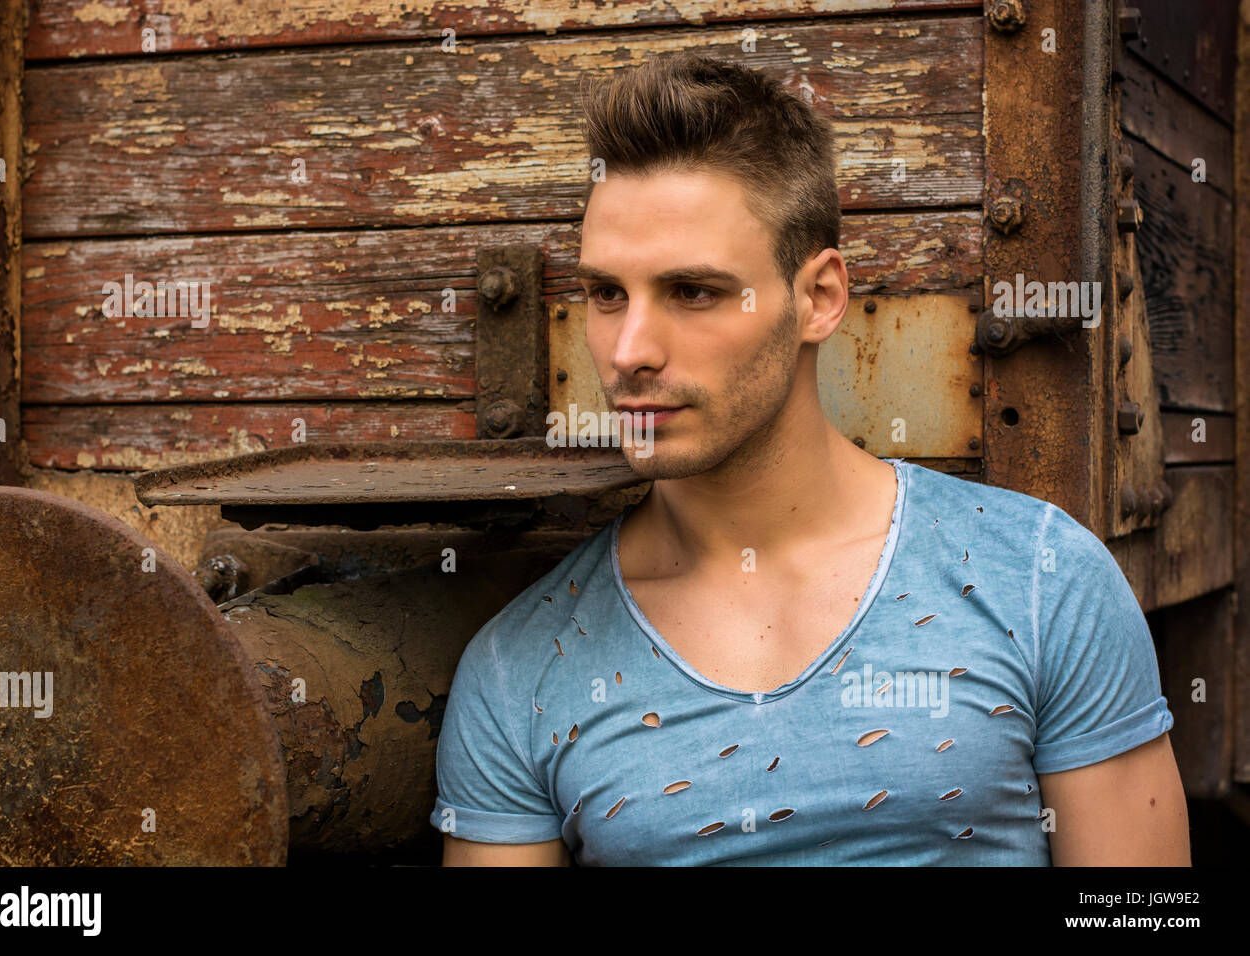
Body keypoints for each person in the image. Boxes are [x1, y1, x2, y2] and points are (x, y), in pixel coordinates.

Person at [428, 51, 1189, 866]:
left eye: (694, 292)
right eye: (608, 294)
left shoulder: (1041, 580)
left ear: (820, 298)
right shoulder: (520, 669)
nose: (628, 351)